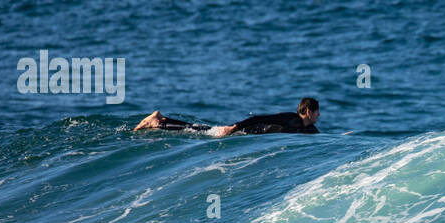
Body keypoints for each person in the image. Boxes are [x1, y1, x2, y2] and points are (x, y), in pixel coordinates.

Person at [135, 98, 320, 136]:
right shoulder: (291, 118)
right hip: (243, 131)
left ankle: (162, 121)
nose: (319, 115)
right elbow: (258, 118)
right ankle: (160, 122)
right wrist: (235, 127)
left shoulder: (307, 128)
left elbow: (317, 135)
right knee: (200, 130)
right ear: (309, 111)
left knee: (201, 129)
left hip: (248, 136)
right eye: (317, 111)